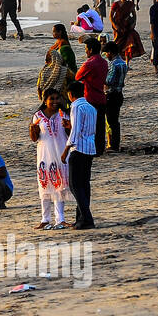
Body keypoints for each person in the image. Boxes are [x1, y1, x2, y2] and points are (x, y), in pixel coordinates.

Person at [29, 89, 70, 230]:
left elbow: (70, 134)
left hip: (60, 154)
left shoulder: (64, 114)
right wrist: (33, 129)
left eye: (57, 98)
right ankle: (45, 219)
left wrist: (68, 126)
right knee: (45, 186)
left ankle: (60, 218)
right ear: (45, 100)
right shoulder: (38, 116)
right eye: (51, 99)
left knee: (60, 186)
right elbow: (34, 138)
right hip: (45, 155)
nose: (55, 101)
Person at [63, 79, 96, 229]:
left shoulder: (75, 106)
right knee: (84, 185)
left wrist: (65, 150)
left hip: (78, 149)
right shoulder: (90, 107)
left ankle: (87, 218)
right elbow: (85, 128)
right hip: (89, 148)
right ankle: (81, 218)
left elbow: (75, 132)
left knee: (75, 185)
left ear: (70, 94)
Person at [76, 36, 109, 153]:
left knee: (90, 126)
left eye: (86, 48)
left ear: (90, 50)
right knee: (100, 126)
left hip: (91, 97)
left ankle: (93, 149)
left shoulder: (89, 63)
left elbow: (77, 76)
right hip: (101, 97)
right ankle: (100, 148)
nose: (85, 51)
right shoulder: (104, 62)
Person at [102, 40, 128, 151]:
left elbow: (109, 81)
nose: (106, 55)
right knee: (115, 120)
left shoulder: (113, 64)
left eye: (107, 53)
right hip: (119, 93)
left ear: (110, 52)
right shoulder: (123, 63)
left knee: (111, 121)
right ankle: (115, 143)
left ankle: (113, 145)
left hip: (111, 94)